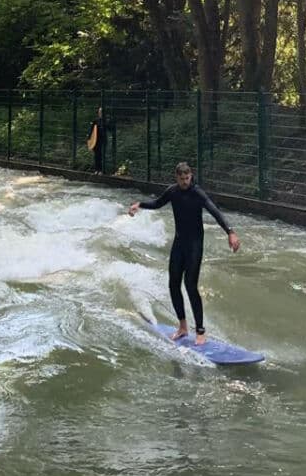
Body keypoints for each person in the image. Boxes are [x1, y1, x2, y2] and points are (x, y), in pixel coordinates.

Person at [129, 162, 240, 345]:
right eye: (181, 179)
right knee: (173, 284)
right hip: (179, 243)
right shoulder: (172, 191)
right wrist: (139, 205)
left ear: (191, 176)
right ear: (176, 178)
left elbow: (215, 211)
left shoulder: (197, 193)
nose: (184, 182)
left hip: (195, 245)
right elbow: (157, 204)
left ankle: (201, 331)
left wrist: (230, 232)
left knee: (190, 285)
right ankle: (182, 327)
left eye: (187, 179)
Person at [86, 106, 108, 174]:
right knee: (96, 156)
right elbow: (91, 131)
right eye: (100, 112)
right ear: (98, 113)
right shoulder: (95, 121)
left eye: (102, 112)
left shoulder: (107, 121)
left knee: (102, 155)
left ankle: (102, 170)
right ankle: (97, 169)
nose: (100, 113)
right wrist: (89, 140)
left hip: (103, 140)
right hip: (96, 141)